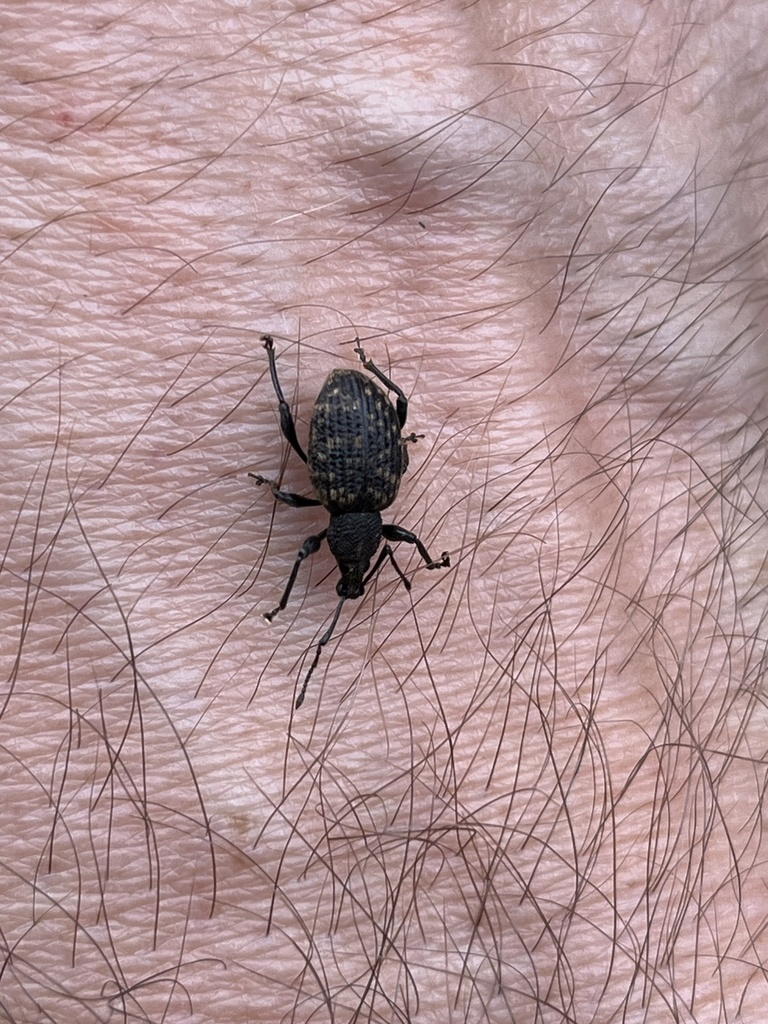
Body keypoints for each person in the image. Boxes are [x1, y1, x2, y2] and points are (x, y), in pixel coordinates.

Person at [1, 1, 765, 1020]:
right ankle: (290, 363)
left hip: (353, 423)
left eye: (354, 564)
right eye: (357, 562)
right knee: (326, 437)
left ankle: (305, 365)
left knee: (318, 443)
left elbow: (331, 518)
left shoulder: (354, 512)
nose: (353, 565)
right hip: (356, 419)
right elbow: (338, 511)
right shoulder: (365, 509)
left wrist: (359, 547)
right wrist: (330, 550)